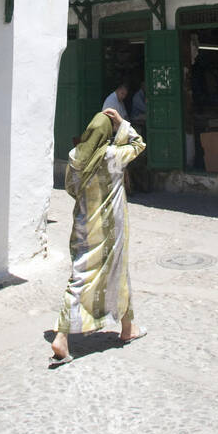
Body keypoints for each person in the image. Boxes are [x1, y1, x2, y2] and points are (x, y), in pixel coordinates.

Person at [50, 107, 147, 367]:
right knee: (116, 269)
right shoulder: (112, 156)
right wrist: (122, 124)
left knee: (83, 274)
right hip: (110, 228)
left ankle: (127, 327)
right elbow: (139, 143)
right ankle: (62, 335)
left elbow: (71, 188)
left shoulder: (75, 158)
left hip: (84, 224)